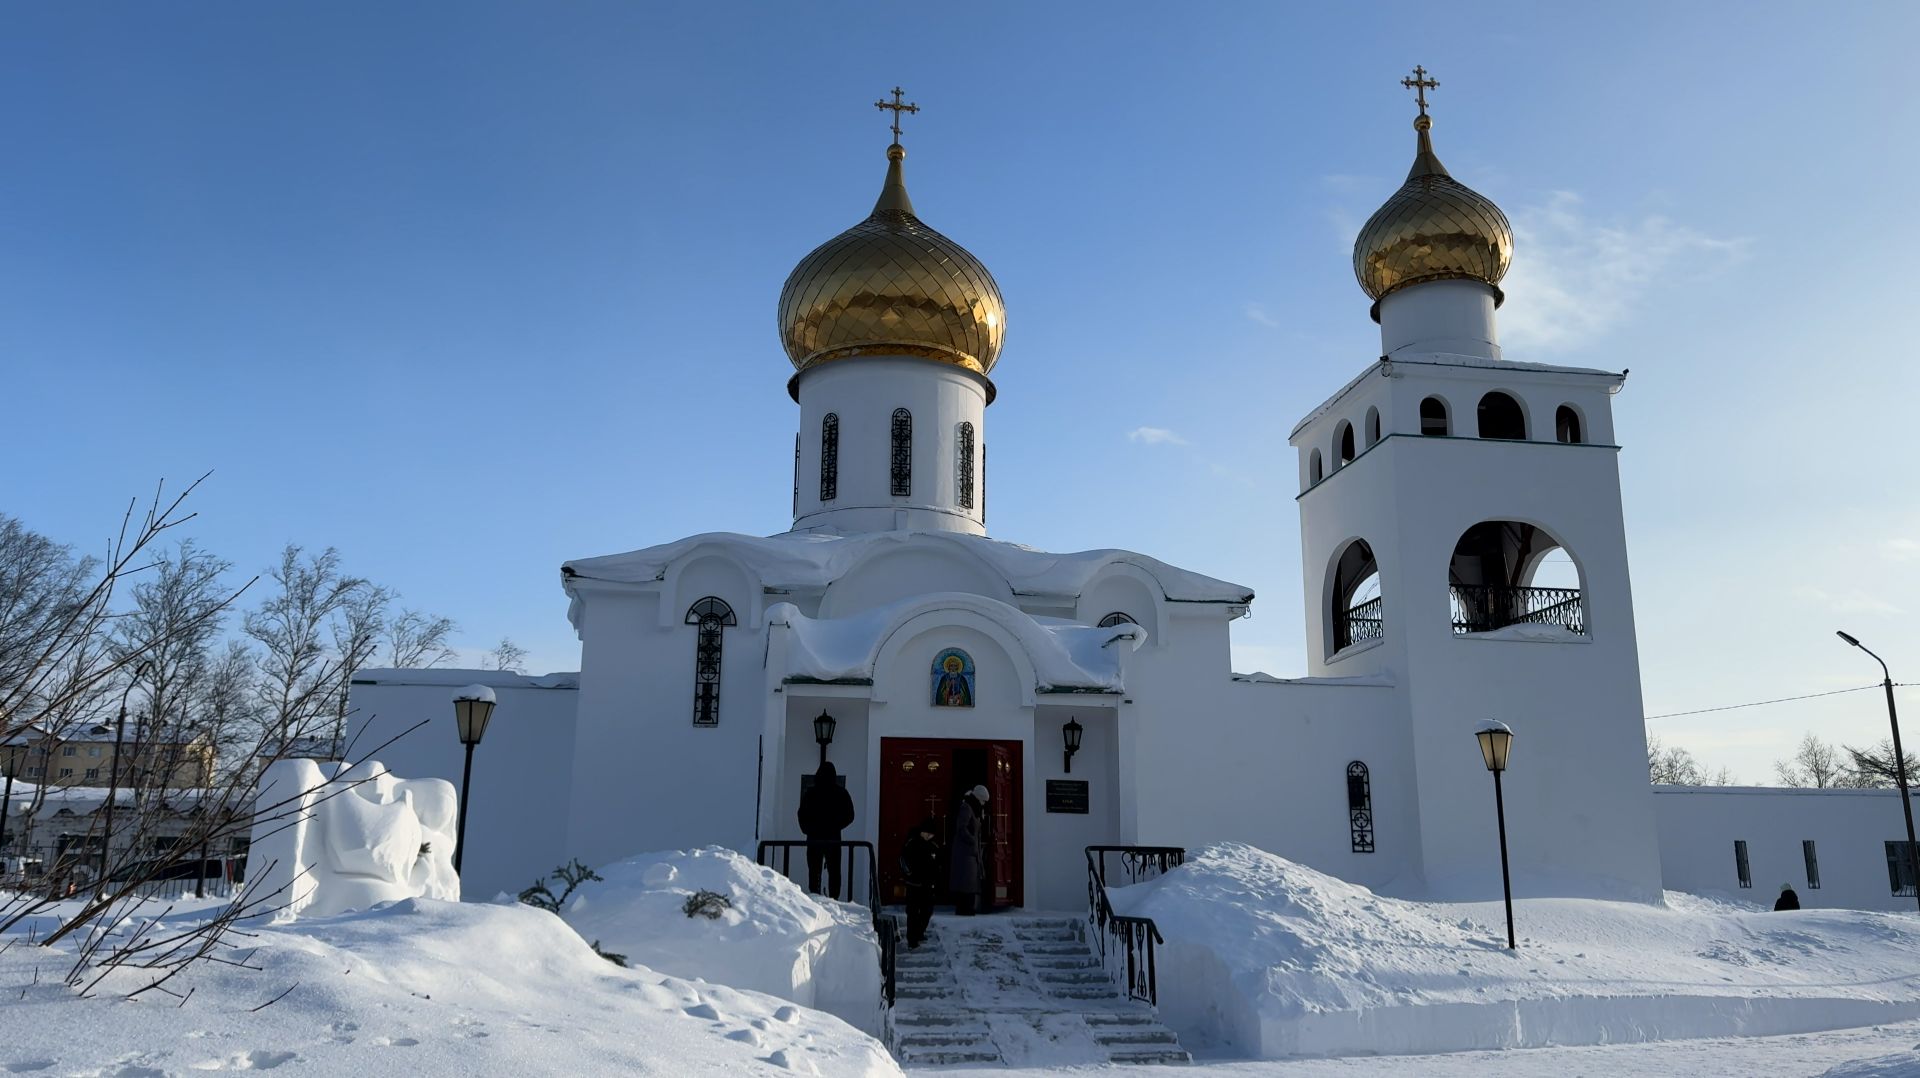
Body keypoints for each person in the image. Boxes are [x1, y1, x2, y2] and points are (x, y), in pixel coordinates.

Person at [796, 761, 855, 898]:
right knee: (834, 871)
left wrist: (808, 829)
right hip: (833, 837)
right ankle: (834, 898)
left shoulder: (811, 793)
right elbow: (850, 815)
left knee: (814, 870)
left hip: (814, 837)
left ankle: (815, 896)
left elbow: (801, 814)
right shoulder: (840, 793)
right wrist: (835, 825)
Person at [899, 818, 941, 948]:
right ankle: (912, 939)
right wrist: (909, 874)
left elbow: (937, 865)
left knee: (927, 911)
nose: (928, 836)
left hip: (928, 885)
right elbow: (903, 860)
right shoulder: (912, 843)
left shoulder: (933, 846)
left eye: (931, 834)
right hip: (914, 884)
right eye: (927, 833)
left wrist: (935, 880)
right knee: (912, 912)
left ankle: (919, 932)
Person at [949, 785, 988, 915]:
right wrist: (971, 840)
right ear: (978, 798)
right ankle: (964, 908)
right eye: (982, 800)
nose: (983, 803)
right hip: (965, 852)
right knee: (965, 881)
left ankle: (967, 908)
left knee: (970, 882)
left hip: (971, 852)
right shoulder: (967, 807)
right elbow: (962, 827)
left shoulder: (975, 810)